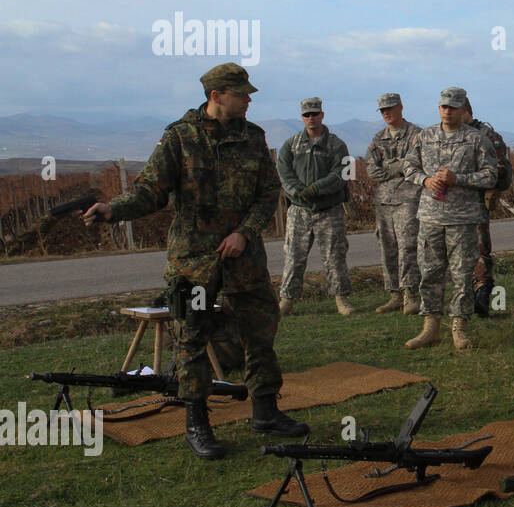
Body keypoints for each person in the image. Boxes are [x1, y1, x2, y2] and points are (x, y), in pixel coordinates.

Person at [82, 63, 308, 459]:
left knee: (260, 332)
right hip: (195, 262)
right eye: (242, 93)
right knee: (193, 338)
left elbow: (267, 192)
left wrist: (244, 232)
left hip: (244, 258)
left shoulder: (253, 138)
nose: (249, 99)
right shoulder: (179, 138)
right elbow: (151, 190)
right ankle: (197, 424)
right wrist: (112, 210)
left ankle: (266, 412)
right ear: (216, 96)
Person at [401, 87, 498, 351]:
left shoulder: (477, 139)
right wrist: (425, 179)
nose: (447, 111)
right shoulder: (425, 136)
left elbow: (491, 175)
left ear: (463, 109)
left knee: (462, 275)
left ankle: (459, 327)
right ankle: (430, 327)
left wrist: (459, 179)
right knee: (430, 272)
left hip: (462, 219)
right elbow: (408, 166)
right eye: (443, 106)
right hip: (430, 217)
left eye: (453, 107)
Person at [277, 97, 354, 316]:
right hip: (299, 211)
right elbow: (283, 172)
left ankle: (341, 299)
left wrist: (317, 188)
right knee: (293, 257)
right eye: (307, 115)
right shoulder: (291, 145)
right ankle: (287, 301)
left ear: (322, 115)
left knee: (335, 257)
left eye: (315, 114)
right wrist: (297, 191)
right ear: (302, 117)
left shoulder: (337, 145)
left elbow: (343, 174)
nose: (311, 118)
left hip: (329, 210)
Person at [364, 93, 422, 314]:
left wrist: (391, 166)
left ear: (400, 107)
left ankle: (410, 294)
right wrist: (397, 166)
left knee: (408, 246)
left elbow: (415, 165)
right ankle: (394, 294)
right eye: (382, 110)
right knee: (387, 246)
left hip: (409, 199)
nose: (386, 113)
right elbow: (372, 170)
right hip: (384, 201)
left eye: (390, 108)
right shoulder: (379, 138)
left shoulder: (416, 135)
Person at [463, 98, 513, 317]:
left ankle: (483, 292)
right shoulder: (449, 136)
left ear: (466, 111)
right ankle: (469, 292)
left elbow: (500, 168)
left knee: (480, 245)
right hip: (454, 202)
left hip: (477, 198)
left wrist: (468, 176)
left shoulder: (487, 135)